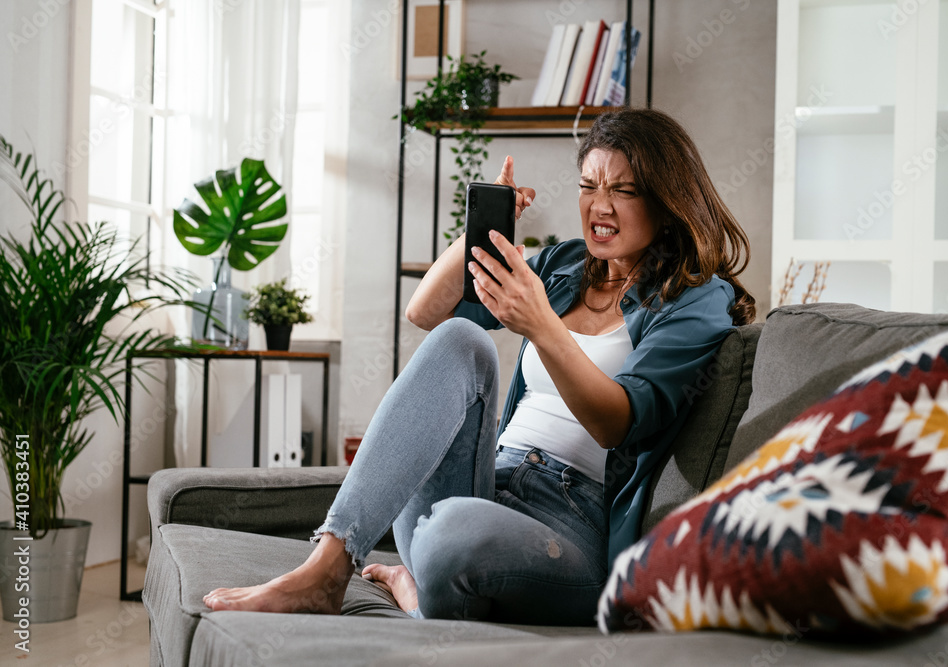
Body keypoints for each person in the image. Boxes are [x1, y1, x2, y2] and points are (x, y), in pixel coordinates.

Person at [203, 108, 756, 625]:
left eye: (623, 190)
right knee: (464, 338)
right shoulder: (564, 266)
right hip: (485, 478)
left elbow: (618, 421)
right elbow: (425, 311)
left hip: (571, 524)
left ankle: (419, 584)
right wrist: (480, 230)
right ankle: (327, 567)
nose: (599, 206)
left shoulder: (695, 299)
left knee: (448, 532)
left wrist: (542, 324)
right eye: (589, 186)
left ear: (665, 202)